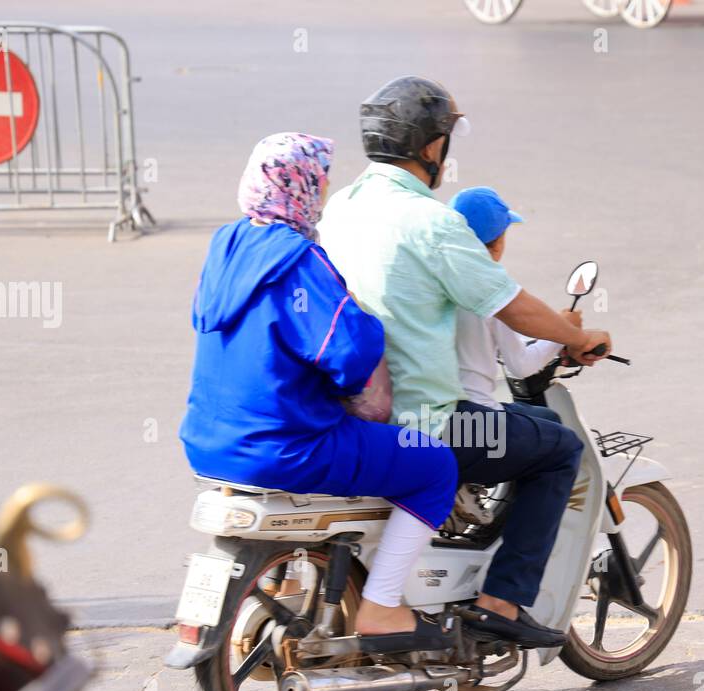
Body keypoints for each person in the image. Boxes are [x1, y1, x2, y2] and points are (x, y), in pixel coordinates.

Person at [318, 76, 613, 649]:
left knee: (537, 430)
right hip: (432, 422)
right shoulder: (430, 221)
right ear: (432, 147)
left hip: (357, 414)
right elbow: (514, 307)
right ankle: (500, 602)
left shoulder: (341, 209)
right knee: (560, 451)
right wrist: (577, 337)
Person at [179, 132, 456, 644]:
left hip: (208, 444)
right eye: (322, 179)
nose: (326, 191)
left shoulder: (227, 246)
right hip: (285, 448)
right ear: (301, 184)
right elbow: (350, 352)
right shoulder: (299, 261)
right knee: (435, 464)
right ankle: (381, 607)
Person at [449, 185, 570, 420]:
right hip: (475, 418)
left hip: (430, 413)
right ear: (497, 244)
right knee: (563, 440)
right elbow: (521, 365)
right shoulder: (491, 289)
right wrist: (562, 332)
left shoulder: (437, 277)